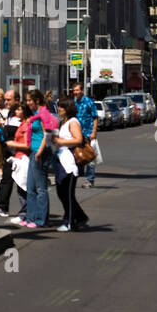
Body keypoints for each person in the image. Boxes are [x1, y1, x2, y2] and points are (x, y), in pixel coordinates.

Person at [20, 89, 58, 229]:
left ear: (36, 100)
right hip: (34, 152)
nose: (28, 103)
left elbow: (47, 134)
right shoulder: (36, 113)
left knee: (41, 188)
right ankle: (31, 217)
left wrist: (39, 152)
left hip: (40, 153)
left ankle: (41, 219)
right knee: (30, 187)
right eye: (27, 100)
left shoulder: (44, 113)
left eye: (30, 100)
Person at [51, 98, 89, 231]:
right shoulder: (63, 122)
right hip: (61, 161)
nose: (59, 110)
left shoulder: (73, 122)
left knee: (67, 194)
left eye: (61, 107)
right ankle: (80, 217)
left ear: (67, 109)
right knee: (61, 193)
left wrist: (60, 141)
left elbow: (78, 140)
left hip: (70, 163)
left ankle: (70, 221)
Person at [0, 93, 22, 218]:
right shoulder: (10, 114)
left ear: (17, 100)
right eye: (5, 100)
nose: (6, 102)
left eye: (9, 100)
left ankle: (27, 212)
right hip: (10, 154)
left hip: (20, 155)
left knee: (23, 185)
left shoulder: (21, 115)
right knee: (6, 180)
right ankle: (2, 207)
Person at [2, 102, 33, 223]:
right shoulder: (22, 123)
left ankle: (24, 214)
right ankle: (25, 214)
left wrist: (12, 144)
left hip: (24, 158)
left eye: (19, 110)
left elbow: (27, 145)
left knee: (23, 188)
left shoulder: (25, 125)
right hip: (19, 157)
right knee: (21, 187)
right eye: (16, 110)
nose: (16, 112)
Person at [71, 83, 99, 186]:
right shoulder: (75, 102)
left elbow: (95, 117)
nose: (75, 92)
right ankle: (77, 175)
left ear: (82, 91)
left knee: (89, 156)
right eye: (74, 90)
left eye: (77, 90)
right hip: (78, 134)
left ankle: (90, 179)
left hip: (88, 133)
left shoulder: (89, 102)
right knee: (78, 155)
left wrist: (94, 132)